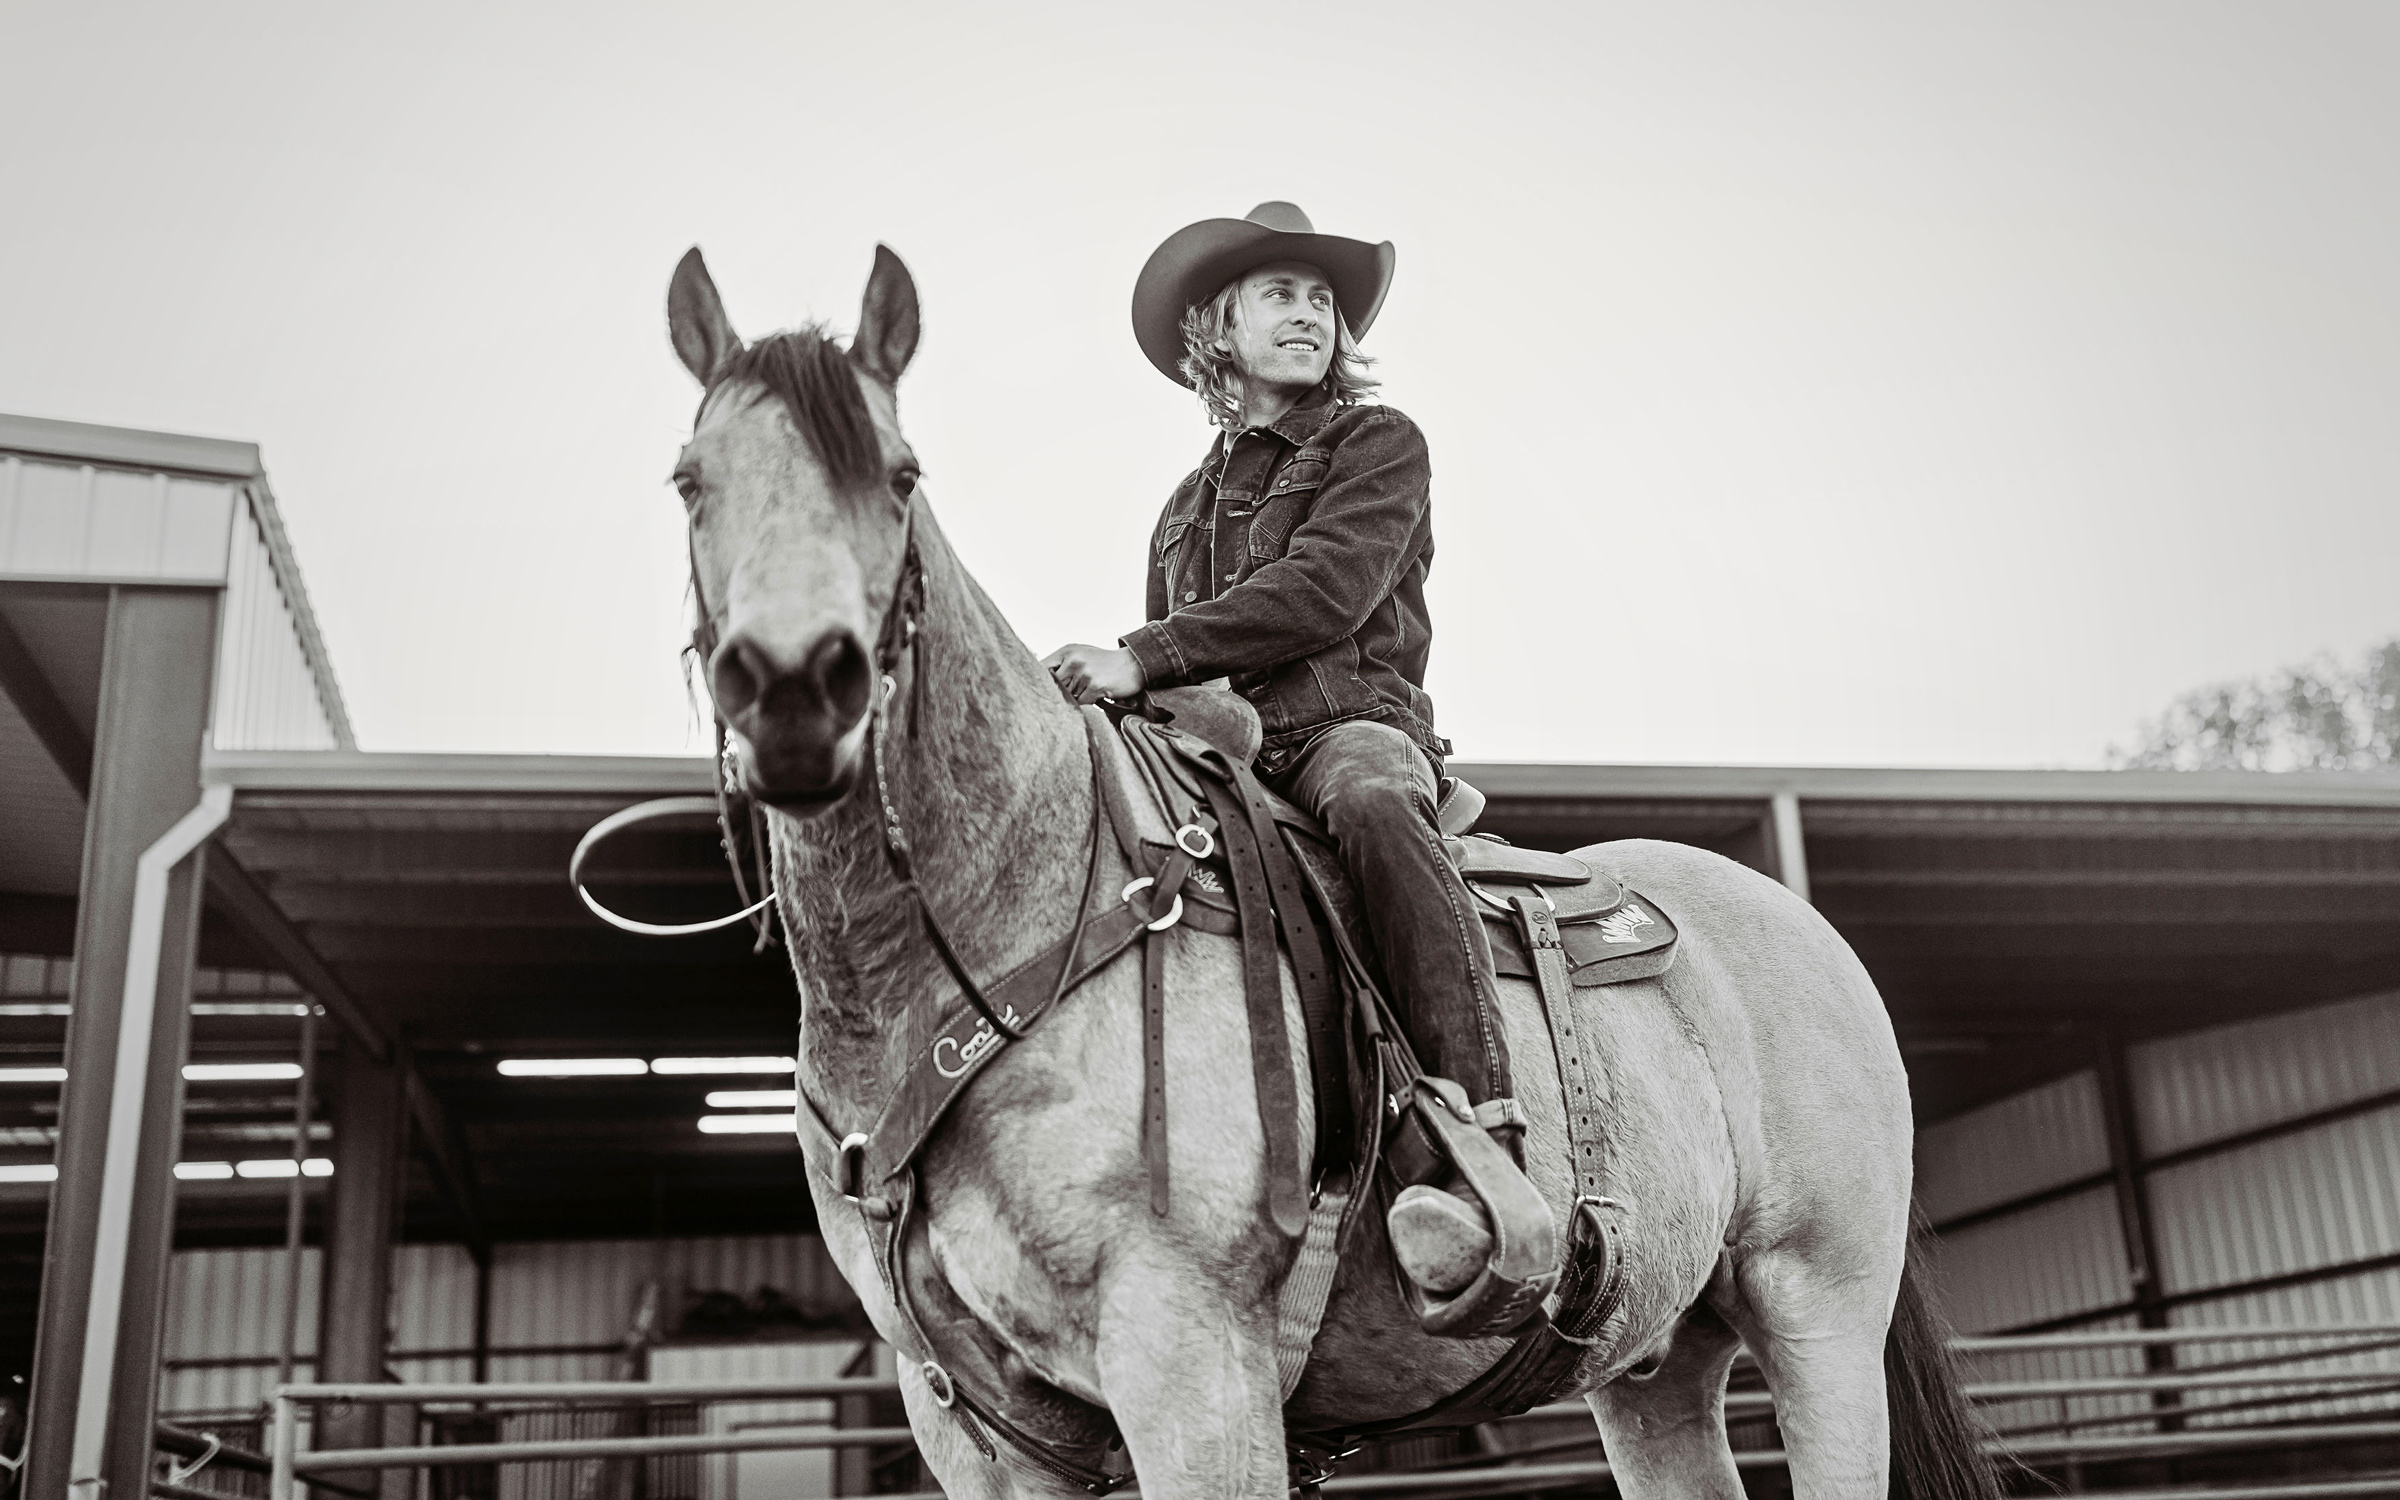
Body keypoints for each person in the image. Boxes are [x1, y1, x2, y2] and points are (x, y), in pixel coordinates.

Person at [1041, 202, 1541, 1304]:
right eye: (1283, 293)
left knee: (1369, 802)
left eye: (1323, 299)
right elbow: (1173, 688)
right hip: (1230, 763)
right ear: (1215, 326)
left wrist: (1142, 653)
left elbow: (1325, 591)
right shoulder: (1180, 510)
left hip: (1345, 727)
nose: (1311, 313)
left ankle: (1473, 1133)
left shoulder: (1375, 441)